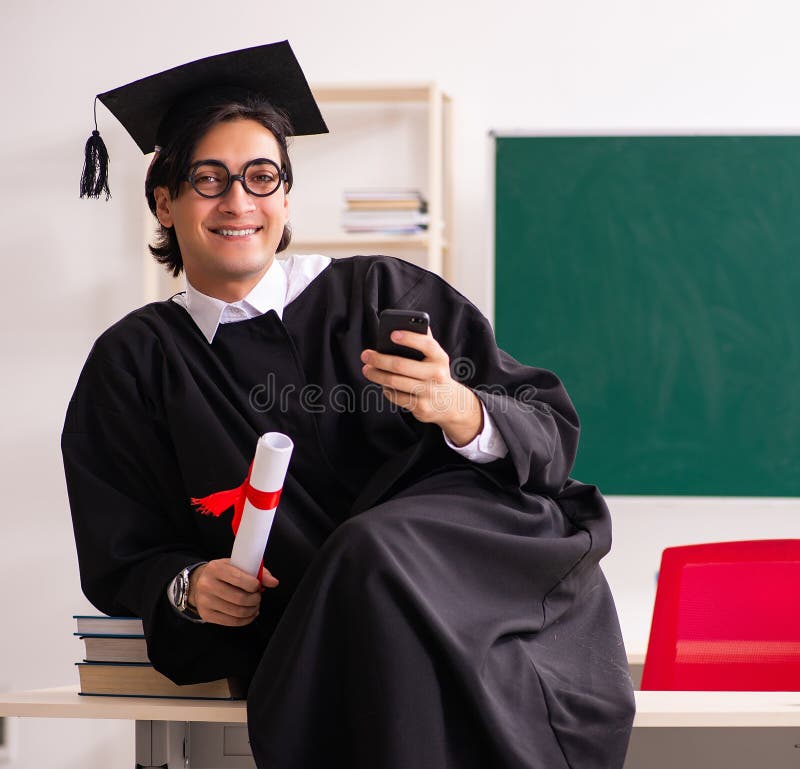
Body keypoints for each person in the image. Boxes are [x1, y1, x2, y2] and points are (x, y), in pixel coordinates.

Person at [63, 41, 635, 769]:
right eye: (208, 179)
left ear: (286, 199)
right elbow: (124, 551)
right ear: (164, 200)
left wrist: (460, 407)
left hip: (478, 596)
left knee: (370, 548)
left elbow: (549, 429)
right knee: (363, 568)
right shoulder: (135, 362)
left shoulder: (380, 293)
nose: (238, 200)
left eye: (261, 177)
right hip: (313, 632)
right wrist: (189, 583)